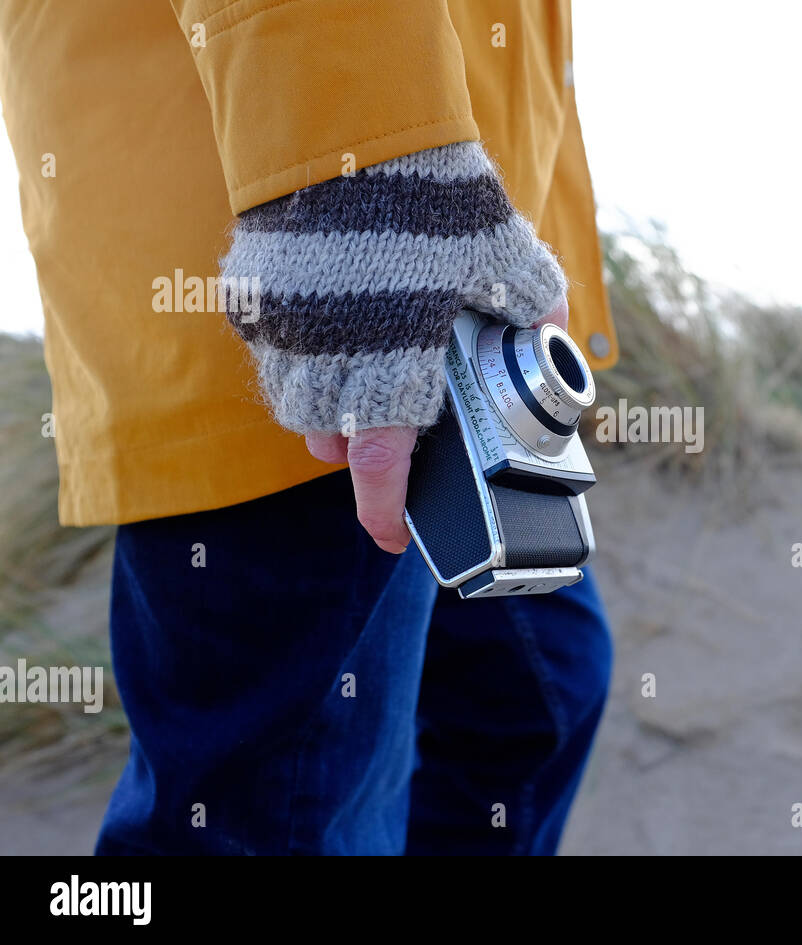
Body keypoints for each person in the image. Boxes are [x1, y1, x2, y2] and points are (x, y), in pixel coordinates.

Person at [0, 0, 617, 855]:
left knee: (533, 701)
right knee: (283, 817)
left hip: (445, 274)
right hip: (316, 302)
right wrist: (361, 168)